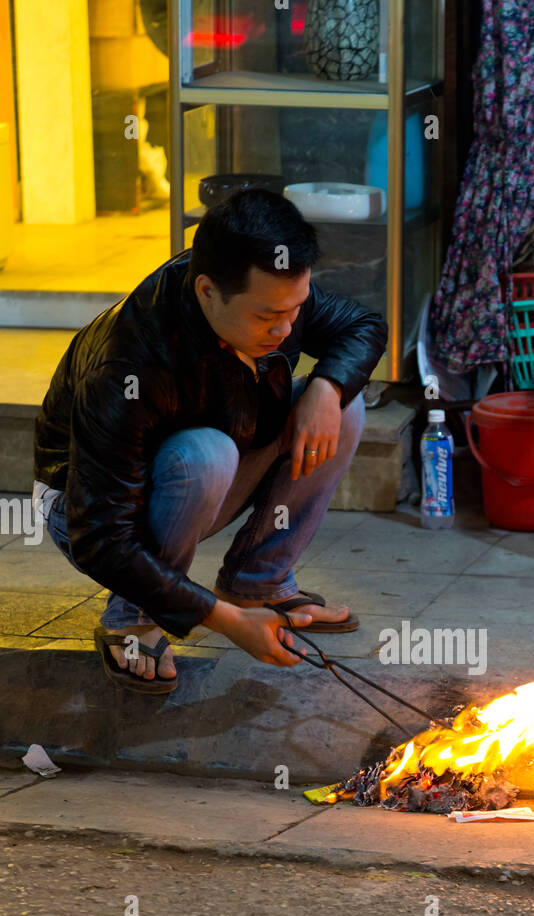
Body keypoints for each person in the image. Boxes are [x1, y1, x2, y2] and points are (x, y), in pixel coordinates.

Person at [32, 188, 388, 693]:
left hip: (205, 472)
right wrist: (220, 622)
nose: (287, 330)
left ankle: (255, 583)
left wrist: (326, 389)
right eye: (267, 317)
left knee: (344, 408)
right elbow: (101, 538)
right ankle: (134, 616)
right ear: (206, 292)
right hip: (85, 508)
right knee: (204, 454)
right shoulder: (128, 363)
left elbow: (362, 325)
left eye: (296, 309)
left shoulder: (275, 295)